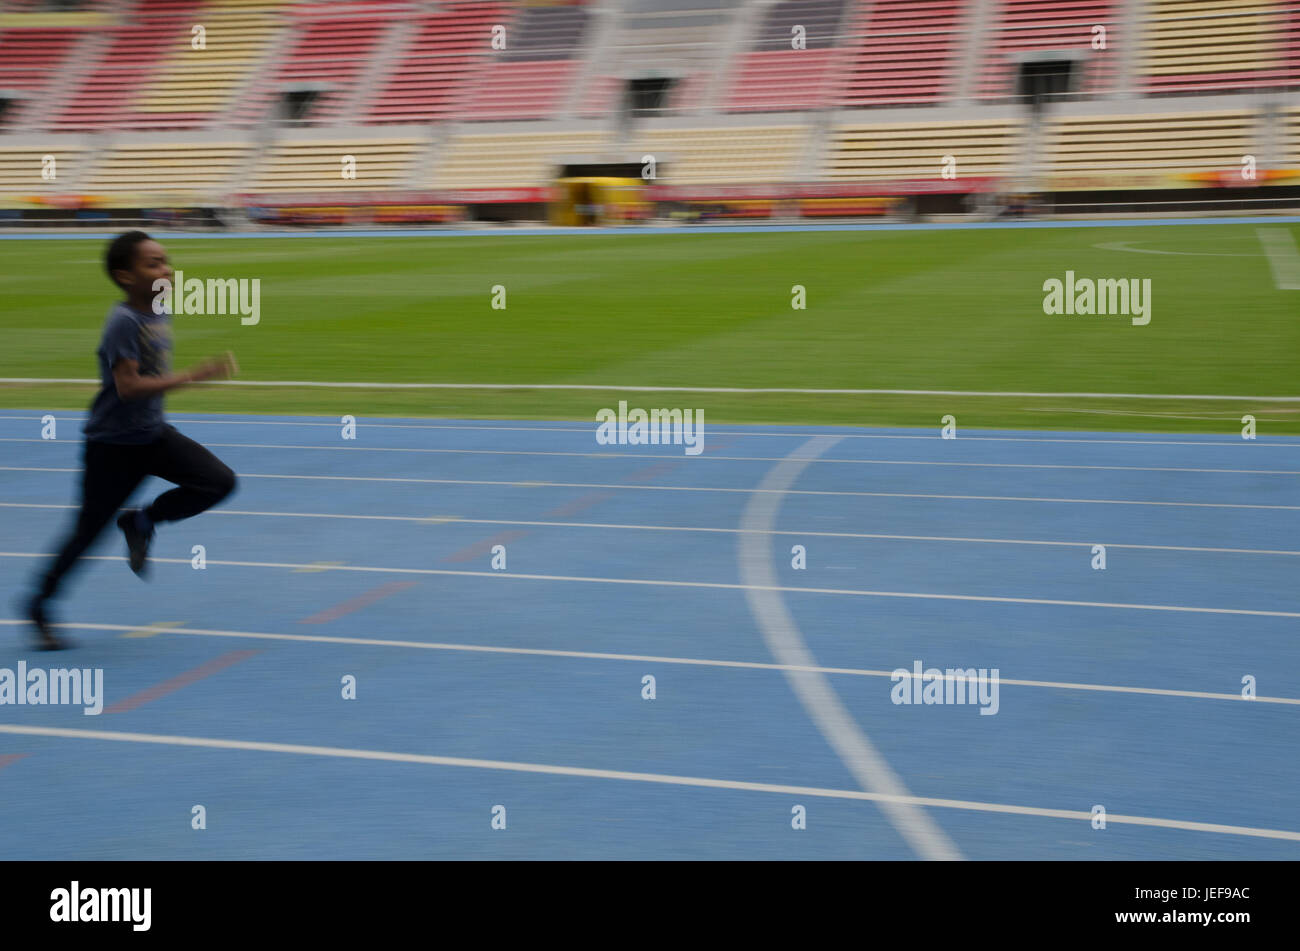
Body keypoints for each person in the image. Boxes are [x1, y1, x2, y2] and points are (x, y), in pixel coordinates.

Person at [23, 230, 240, 650]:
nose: (166, 270)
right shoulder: (124, 321)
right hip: (113, 447)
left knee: (219, 482)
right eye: (153, 264)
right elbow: (127, 387)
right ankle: (39, 603)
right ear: (125, 276)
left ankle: (140, 521)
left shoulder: (158, 308)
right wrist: (194, 376)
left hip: (153, 435)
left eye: (166, 261)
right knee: (86, 534)